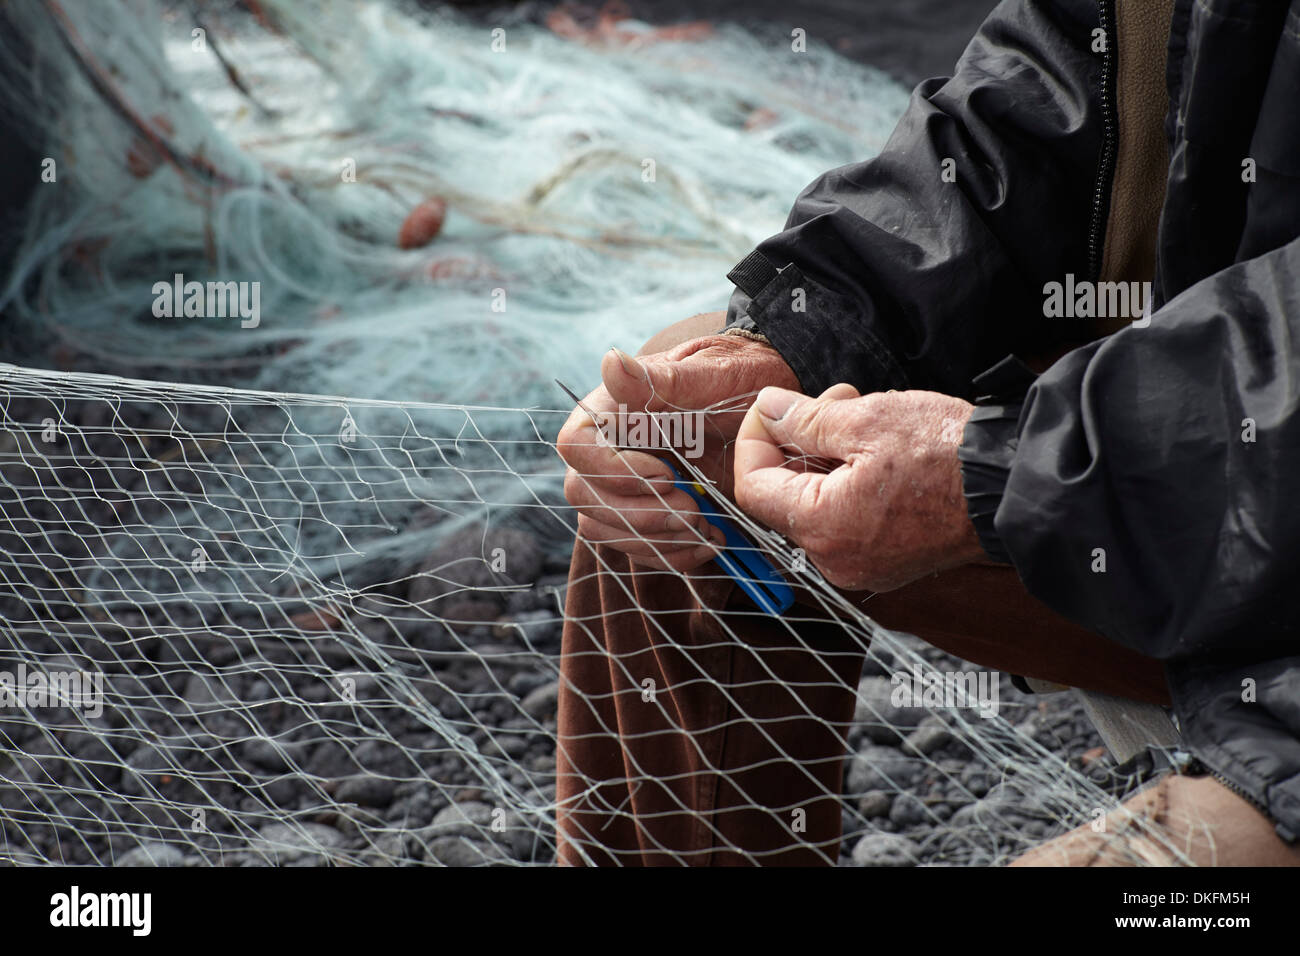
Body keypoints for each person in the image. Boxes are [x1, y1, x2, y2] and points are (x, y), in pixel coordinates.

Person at [553, 0, 1300, 866]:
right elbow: (1018, 122)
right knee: (687, 447)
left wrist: (1007, 470)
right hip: (1169, 506)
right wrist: (797, 342)